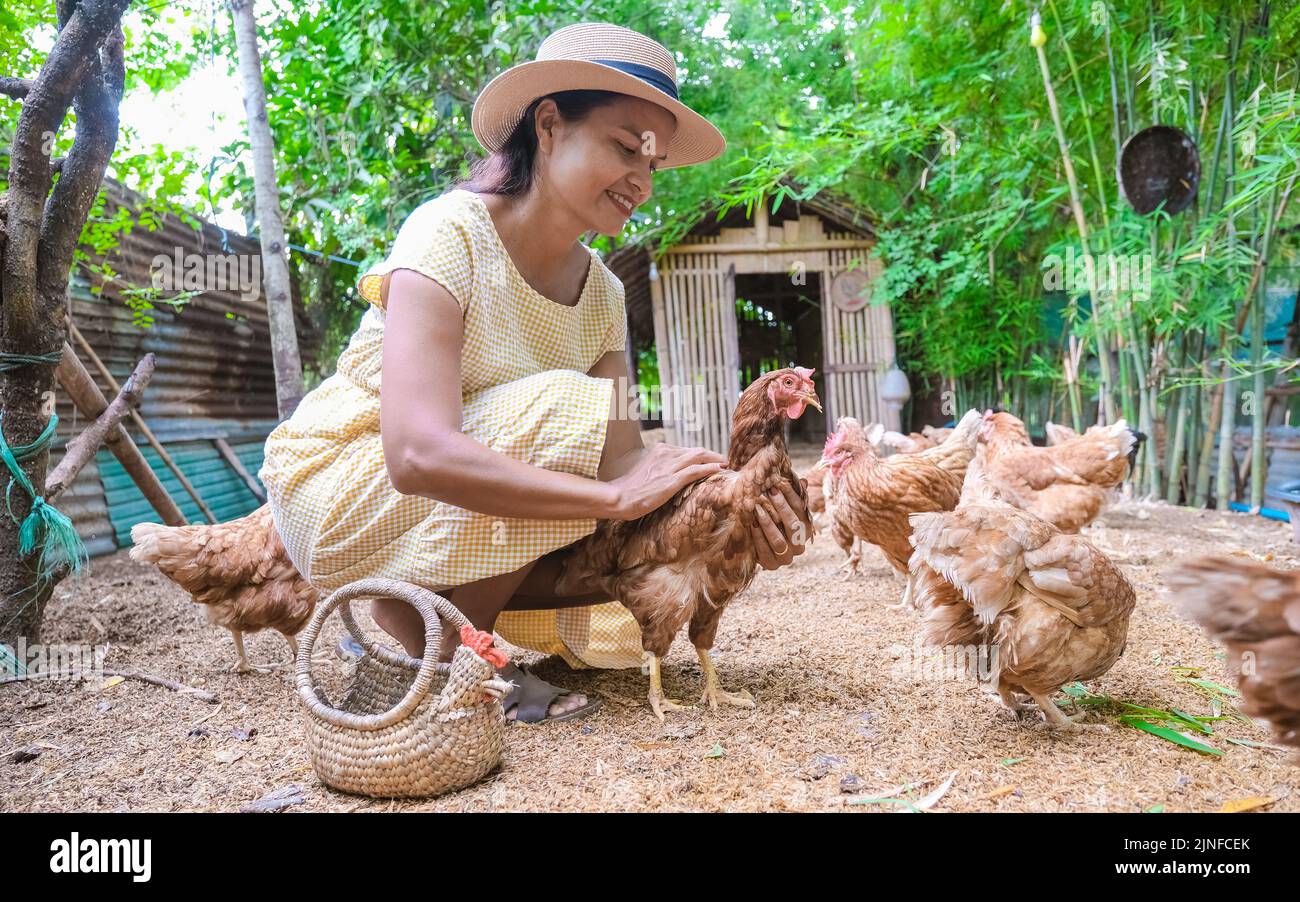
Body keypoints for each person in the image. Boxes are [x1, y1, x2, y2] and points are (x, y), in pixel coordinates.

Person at [258, 22, 810, 724]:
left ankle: (426, 618)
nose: (642, 179)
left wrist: (734, 520)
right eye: (624, 146)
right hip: (343, 482)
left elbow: (622, 461)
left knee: (640, 557)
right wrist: (613, 500)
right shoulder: (449, 231)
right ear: (548, 124)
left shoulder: (604, 293)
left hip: (453, 500)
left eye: (655, 163)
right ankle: (437, 656)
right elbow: (416, 452)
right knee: (570, 421)